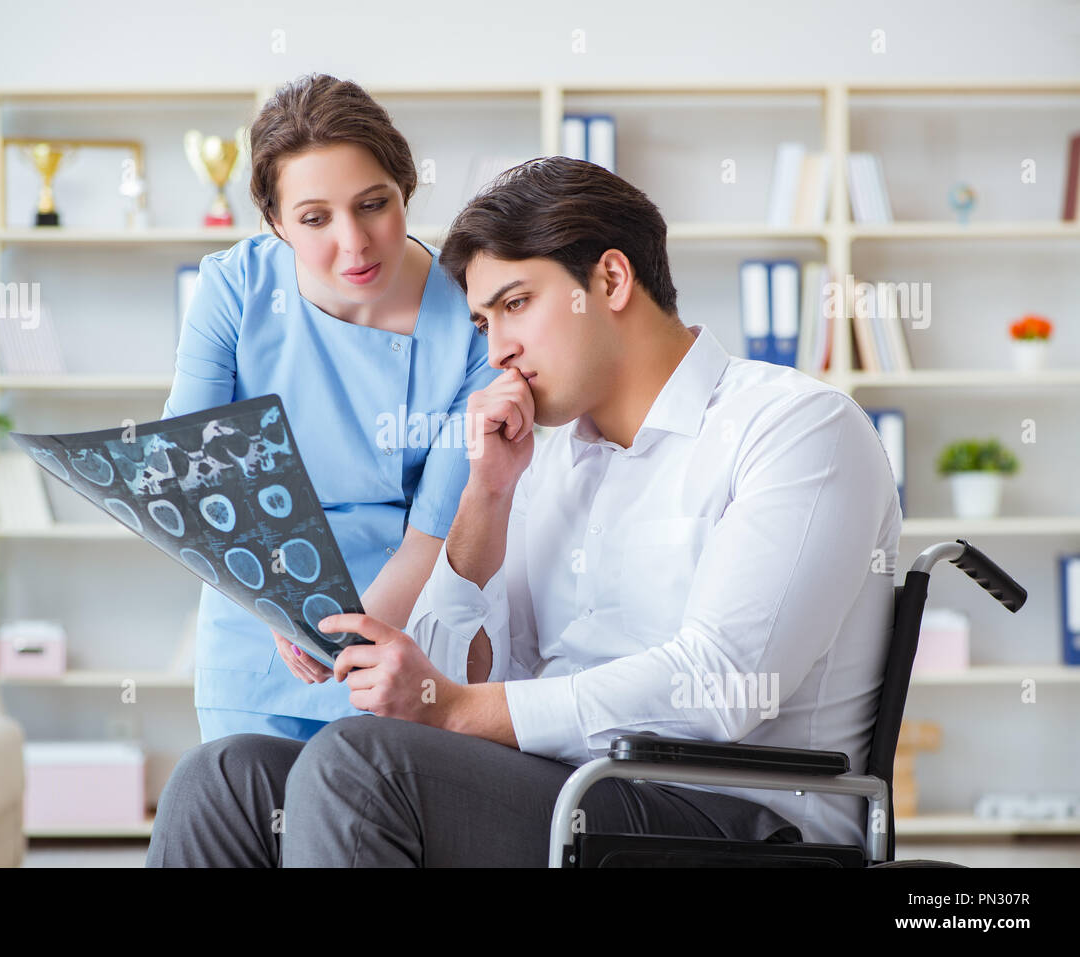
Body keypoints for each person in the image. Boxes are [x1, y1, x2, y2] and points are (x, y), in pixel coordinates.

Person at [145, 156, 902, 867]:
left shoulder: (796, 428)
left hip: (735, 821)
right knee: (226, 777)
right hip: (567, 792)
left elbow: (724, 686)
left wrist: (455, 709)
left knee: (360, 763)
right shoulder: (542, 463)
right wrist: (487, 495)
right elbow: (449, 682)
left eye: (515, 305)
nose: (498, 349)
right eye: (481, 324)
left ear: (609, 279)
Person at [158, 73, 499, 747]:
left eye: (374, 204)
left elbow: (435, 531)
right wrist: (284, 615)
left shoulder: (470, 313)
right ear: (276, 221)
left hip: (398, 630)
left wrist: (340, 637)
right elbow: (189, 471)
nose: (355, 242)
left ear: (406, 186)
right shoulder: (233, 288)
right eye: (315, 218)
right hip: (255, 622)